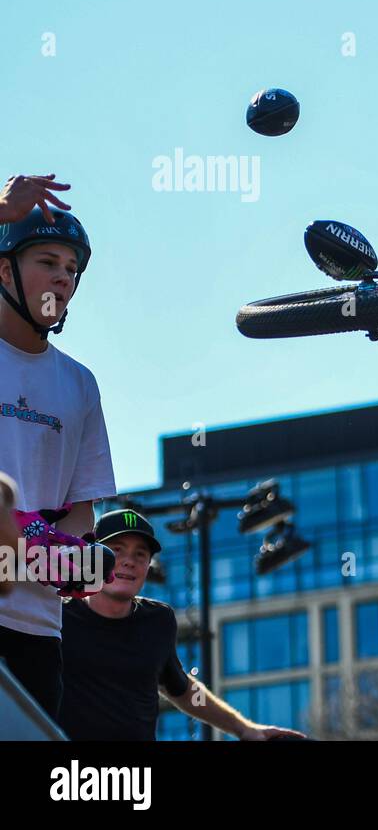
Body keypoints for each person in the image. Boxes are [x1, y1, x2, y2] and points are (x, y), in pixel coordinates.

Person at [0, 182, 117, 718]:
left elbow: (80, 510)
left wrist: (71, 559)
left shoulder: (80, 385)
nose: (63, 278)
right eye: (48, 261)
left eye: (72, 268)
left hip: (36, 630)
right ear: (4, 271)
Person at [59, 509, 308, 741]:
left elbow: (185, 691)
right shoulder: (58, 618)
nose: (129, 561)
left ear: (148, 565)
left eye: (140, 554)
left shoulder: (158, 621)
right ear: (93, 557)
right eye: (116, 550)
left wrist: (243, 728)